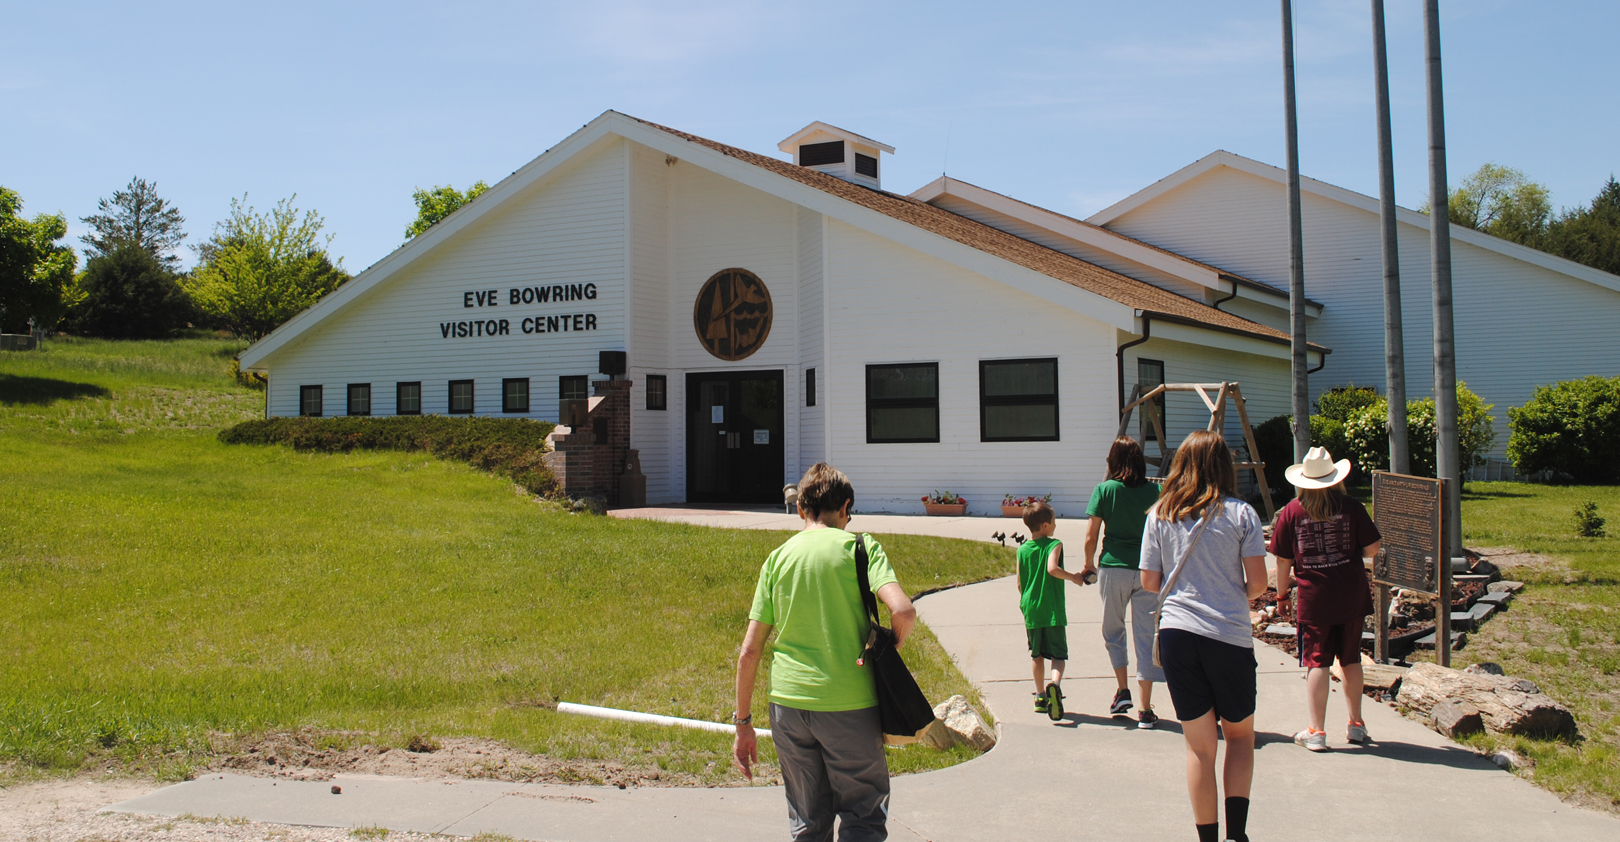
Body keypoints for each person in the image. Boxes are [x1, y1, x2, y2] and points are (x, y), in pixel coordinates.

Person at [733, 462, 917, 842]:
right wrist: (890, 644)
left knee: (807, 820)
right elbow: (903, 610)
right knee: (863, 814)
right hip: (849, 703)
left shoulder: (778, 559)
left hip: (788, 704)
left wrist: (744, 723)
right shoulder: (860, 548)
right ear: (846, 507)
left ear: (801, 508)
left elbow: (750, 651)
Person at [1140, 430, 1268, 842]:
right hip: (1228, 634)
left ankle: (1207, 839)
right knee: (1240, 736)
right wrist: (1229, 594)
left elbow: (1148, 581)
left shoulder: (1159, 514)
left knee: (1198, 748)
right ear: (1223, 466)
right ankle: (1237, 835)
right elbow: (1259, 583)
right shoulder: (1241, 514)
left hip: (1178, 633)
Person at [1269, 446, 1382, 752]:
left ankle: (1316, 731)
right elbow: (1373, 548)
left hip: (1314, 597)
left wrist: (1281, 595)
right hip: (1351, 593)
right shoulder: (1352, 507)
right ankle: (1356, 724)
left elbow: (1282, 560)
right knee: (1350, 659)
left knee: (1317, 662)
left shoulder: (1292, 511)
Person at [1082, 436, 1164, 728]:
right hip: (1147, 570)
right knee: (1145, 635)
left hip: (1113, 568)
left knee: (1113, 630)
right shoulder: (1156, 491)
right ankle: (1145, 709)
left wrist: (1089, 563)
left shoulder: (1104, 490)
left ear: (1113, 461)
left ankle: (1122, 690)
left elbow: (1091, 536)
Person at [1018, 499, 1088, 721]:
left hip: (1031, 610)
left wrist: (1026, 602)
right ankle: (1055, 685)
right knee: (1058, 655)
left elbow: (1020, 583)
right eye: (1054, 521)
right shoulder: (1054, 544)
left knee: (1036, 655)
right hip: (1052, 610)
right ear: (1046, 525)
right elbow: (1052, 569)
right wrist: (1074, 577)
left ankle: (1040, 696)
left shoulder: (1021, 549)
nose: (1056, 525)